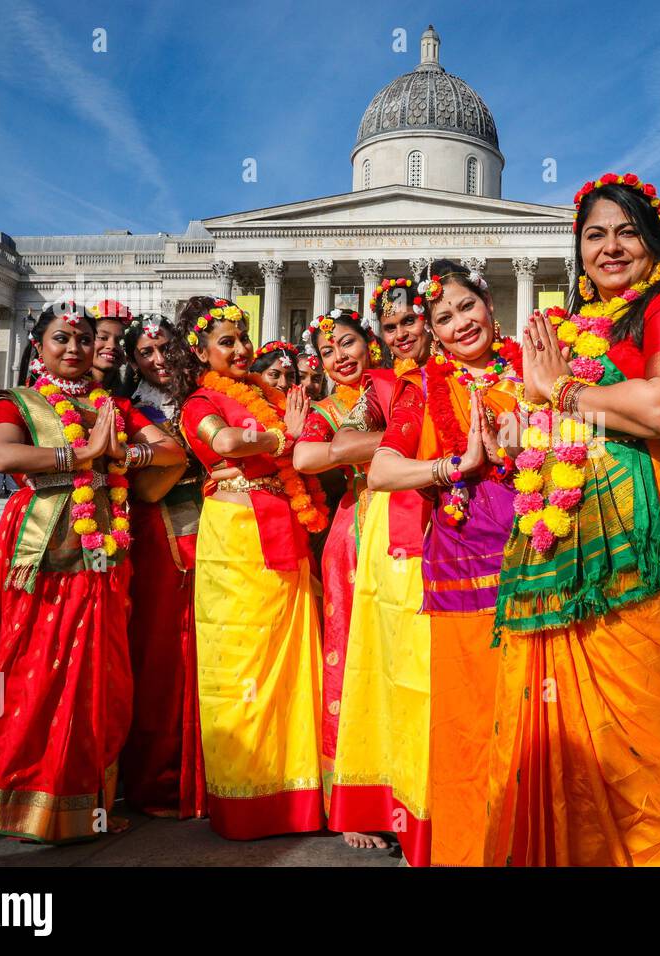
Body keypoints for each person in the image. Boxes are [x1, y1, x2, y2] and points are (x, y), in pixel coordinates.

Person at [487, 173, 660, 866]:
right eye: (595, 234)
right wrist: (518, 423)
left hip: (640, 518)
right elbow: (539, 416)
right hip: (563, 529)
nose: (610, 247)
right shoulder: (566, 328)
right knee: (573, 723)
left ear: (654, 242)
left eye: (627, 232)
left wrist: (558, 388)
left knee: (647, 710)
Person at [0, 303, 185, 842]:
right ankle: (26, 800)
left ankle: (85, 804)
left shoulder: (111, 406)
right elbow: (5, 457)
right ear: (39, 347)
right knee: (37, 669)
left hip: (103, 550)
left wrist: (125, 454)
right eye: (61, 338)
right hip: (43, 545)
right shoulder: (15, 400)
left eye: (83, 339)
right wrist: (81, 455)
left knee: (100, 674)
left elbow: (171, 452)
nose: (73, 348)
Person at [367, 260, 520, 866]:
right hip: (468, 571)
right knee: (471, 721)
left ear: (488, 304)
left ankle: (536, 843)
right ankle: (472, 852)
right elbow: (381, 471)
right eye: (444, 318)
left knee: (536, 712)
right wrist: (456, 467)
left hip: (545, 557)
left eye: (466, 308)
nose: (460, 324)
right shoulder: (426, 388)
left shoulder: (534, 369)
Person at [166, 295, 329, 840]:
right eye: (227, 342)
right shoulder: (200, 401)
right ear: (202, 352)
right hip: (236, 538)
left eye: (242, 339)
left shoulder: (264, 393)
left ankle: (300, 793)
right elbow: (229, 442)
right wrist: (285, 434)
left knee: (294, 661)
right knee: (242, 663)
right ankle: (247, 799)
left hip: (282, 525)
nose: (240, 350)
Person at [293, 305, 429, 858]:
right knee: (351, 654)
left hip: (421, 514)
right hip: (358, 529)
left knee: (412, 656)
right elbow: (304, 455)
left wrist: (350, 448)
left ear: (368, 344)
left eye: (348, 343)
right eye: (328, 351)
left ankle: (415, 782)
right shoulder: (327, 406)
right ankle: (358, 795)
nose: (340, 357)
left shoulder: (402, 384)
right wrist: (396, 442)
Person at [117, 314, 207, 820]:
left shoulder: (206, 395)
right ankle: (159, 780)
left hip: (217, 532)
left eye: (165, 349)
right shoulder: (132, 408)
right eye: (145, 353)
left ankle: (211, 774)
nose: (157, 360)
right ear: (133, 362)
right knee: (162, 657)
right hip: (160, 536)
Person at [90, 300, 133, 393]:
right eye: (103, 338)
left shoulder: (132, 396)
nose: (112, 346)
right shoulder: (64, 394)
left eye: (120, 341)